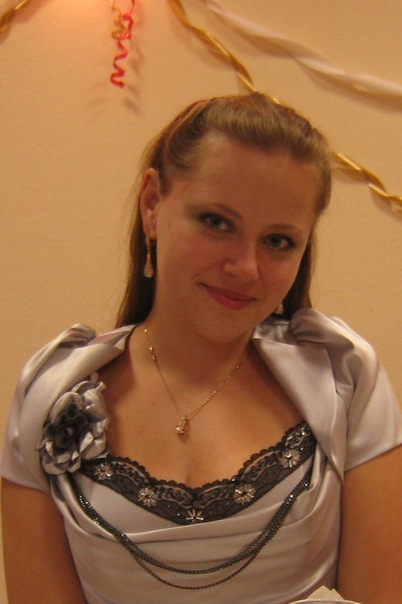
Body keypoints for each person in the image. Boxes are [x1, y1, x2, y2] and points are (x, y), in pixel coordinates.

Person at [1, 93, 401, 604]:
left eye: (278, 241)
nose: (245, 268)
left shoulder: (344, 377)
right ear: (152, 204)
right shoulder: (51, 393)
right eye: (217, 222)